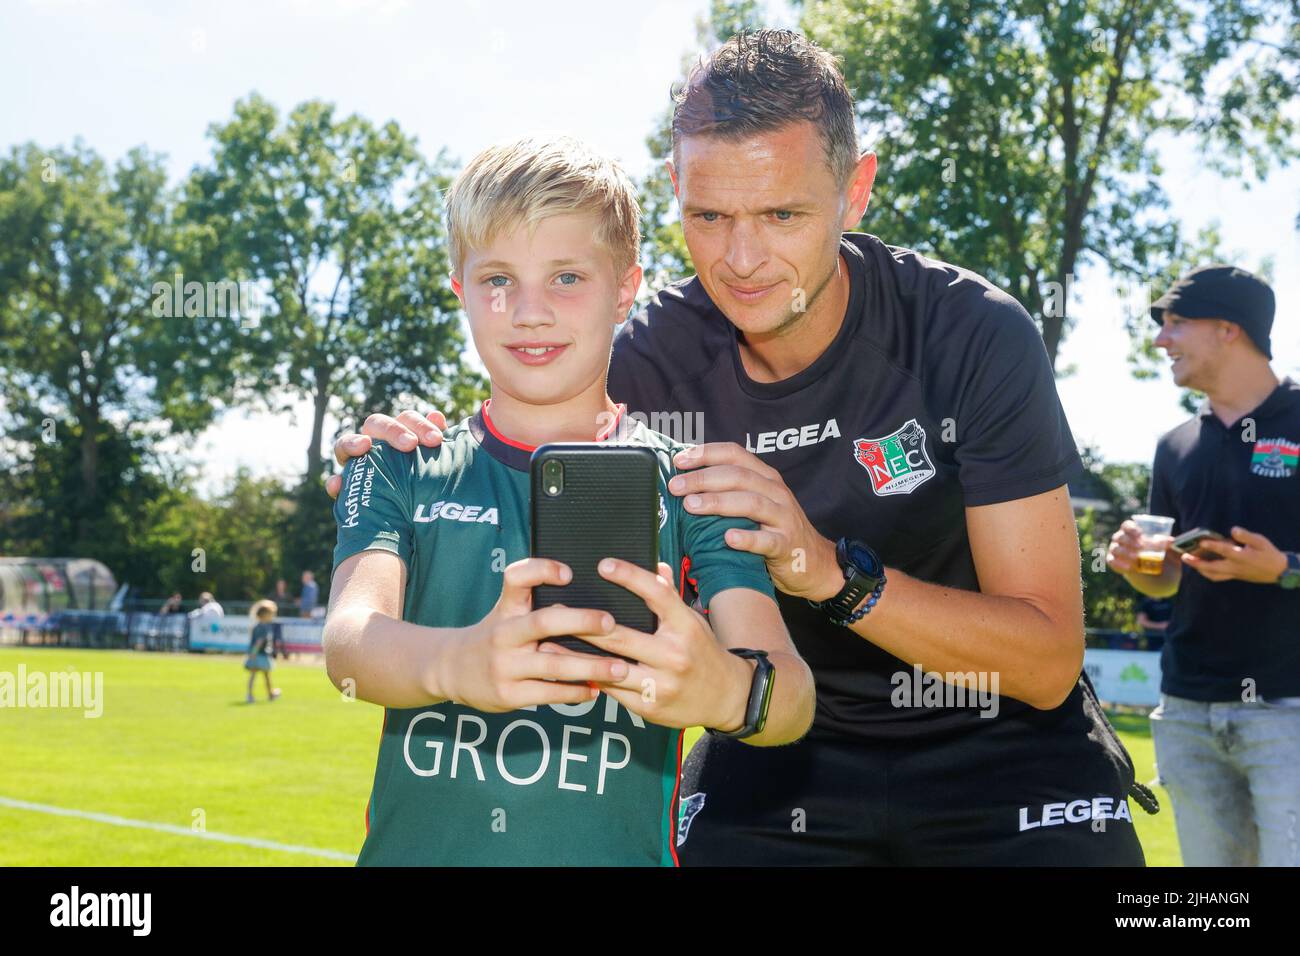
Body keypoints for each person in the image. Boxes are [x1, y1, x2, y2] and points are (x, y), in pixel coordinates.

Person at [329, 29, 1150, 865]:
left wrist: (828, 570)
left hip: (999, 743)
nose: (743, 259)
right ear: (677, 190)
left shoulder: (971, 333)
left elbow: (1047, 661)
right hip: (778, 755)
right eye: (709, 216)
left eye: (783, 214)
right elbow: (531, 375)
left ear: (855, 189)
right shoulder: (646, 352)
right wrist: (401, 447)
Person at [322, 135, 814, 866]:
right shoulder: (398, 463)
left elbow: (793, 699)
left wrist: (726, 691)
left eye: (566, 278)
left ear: (624, 289)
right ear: (459, 289)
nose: (528, 312)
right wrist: (459, 662)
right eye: (496, 280)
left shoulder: (694, 485)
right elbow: (348, 643)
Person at [1107, 265, 1300, 867]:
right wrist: (1140, 568)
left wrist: (1284, 568)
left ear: (1227, 329)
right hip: (1187, 708)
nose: (1161, 340)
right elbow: (1165, 581)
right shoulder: (1174, 446)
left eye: (1175, 324)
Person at [244, 599, 281, 703]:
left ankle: (250, 695)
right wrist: (254, 653)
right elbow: (259, 641)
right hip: (261, 655)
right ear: (265, 615)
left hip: (255, 655)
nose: (273, 616)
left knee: (253, 675)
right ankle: (270, 694)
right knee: (267, 676)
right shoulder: (265, 628)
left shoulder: (256, 626)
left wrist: (252, 653)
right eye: (272, 614)